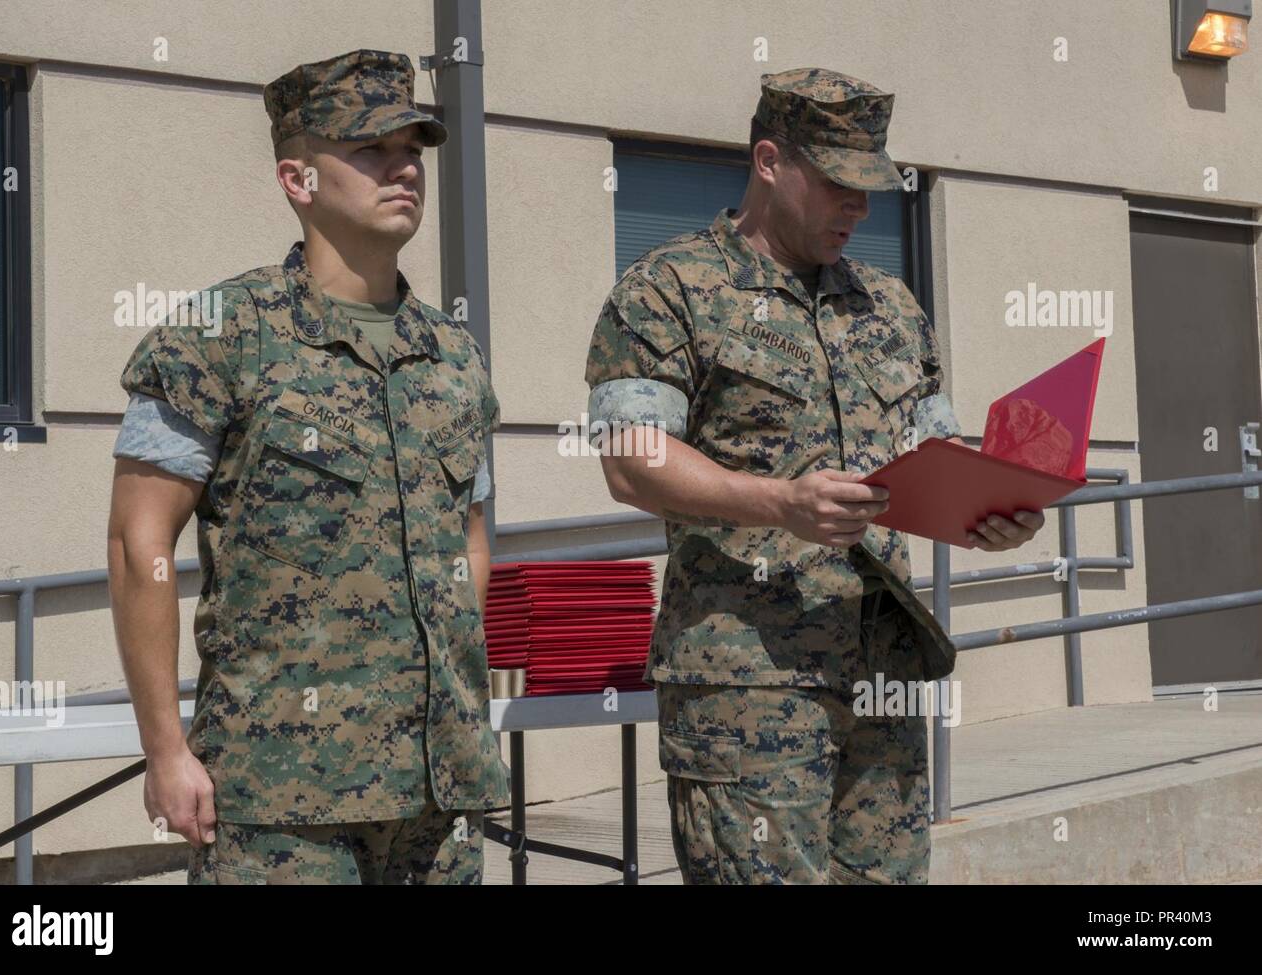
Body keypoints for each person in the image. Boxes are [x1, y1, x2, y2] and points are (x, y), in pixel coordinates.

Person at [584, 68, 1044, 884]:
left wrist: (989, 508)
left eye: (872, 187)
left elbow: (932, 453)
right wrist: (777, 504)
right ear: (768, 161)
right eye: (839, 185)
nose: (861, 208)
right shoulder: (669, 289)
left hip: (883, 676)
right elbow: (630, 458)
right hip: (746, 684)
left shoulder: (892, 308)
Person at [106, 49, 508, 885]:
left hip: (439, 793)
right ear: (299, 179)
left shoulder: (455, 359)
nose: (403, 167)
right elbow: (136, 541)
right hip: (281, 802)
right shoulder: (218, 335)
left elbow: (470, 539)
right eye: (370, 149)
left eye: (414, 148)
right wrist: (164, 747)